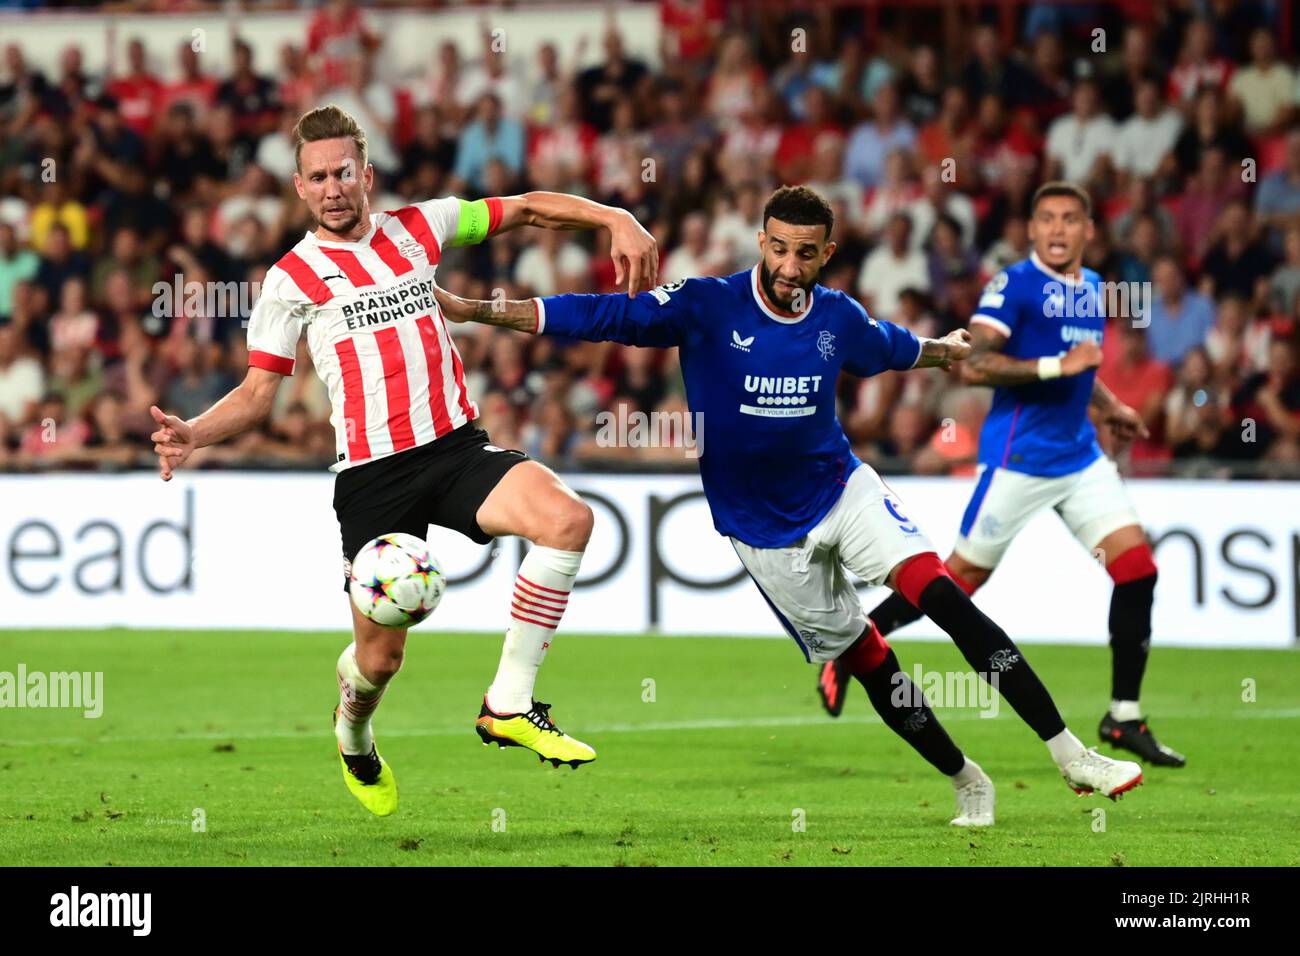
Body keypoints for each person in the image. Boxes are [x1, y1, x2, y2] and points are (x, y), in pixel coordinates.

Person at [434, 185, 1146, 828]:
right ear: (762, 243)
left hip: (841, 488)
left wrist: (945, 352)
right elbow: (594, 315)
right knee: (874, 663)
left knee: (945, 598)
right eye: (778, 248)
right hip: (763, 533)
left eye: (805, 253)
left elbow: (894, 350)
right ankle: (967, 781)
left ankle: (1070, 753)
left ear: (826, 254)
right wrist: (476, 311)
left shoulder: (838, 316)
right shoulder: (706, 305)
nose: (789, 264)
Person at [148, 104, 659, 817]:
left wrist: (613, 217)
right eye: (318, 176)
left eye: (344, 172)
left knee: (568, 521)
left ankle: (508, 702)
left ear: (367, 174)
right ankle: (353, 731)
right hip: (372, 478)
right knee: (381, 661)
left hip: (455, 449)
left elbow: (528, 211)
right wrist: (193, 433)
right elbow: (260, 393)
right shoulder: (289, 280)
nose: (333, 187)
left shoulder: (423, 226)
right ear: (298, 186)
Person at [816, 182, 1186, 769]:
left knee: (1137, 571)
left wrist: (1108, 405)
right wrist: (1055, 366)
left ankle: (1122, 717)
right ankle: (855, 647)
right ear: (1033, 230)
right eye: (1046, 220)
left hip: (1081, 457)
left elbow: (1080, 369)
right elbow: (976, 366)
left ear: (1089, 230)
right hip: (1018, 461)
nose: (1058, 229)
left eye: (1070, 219)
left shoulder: (1091, 289)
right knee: (955, 584)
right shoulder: (1013, 285)